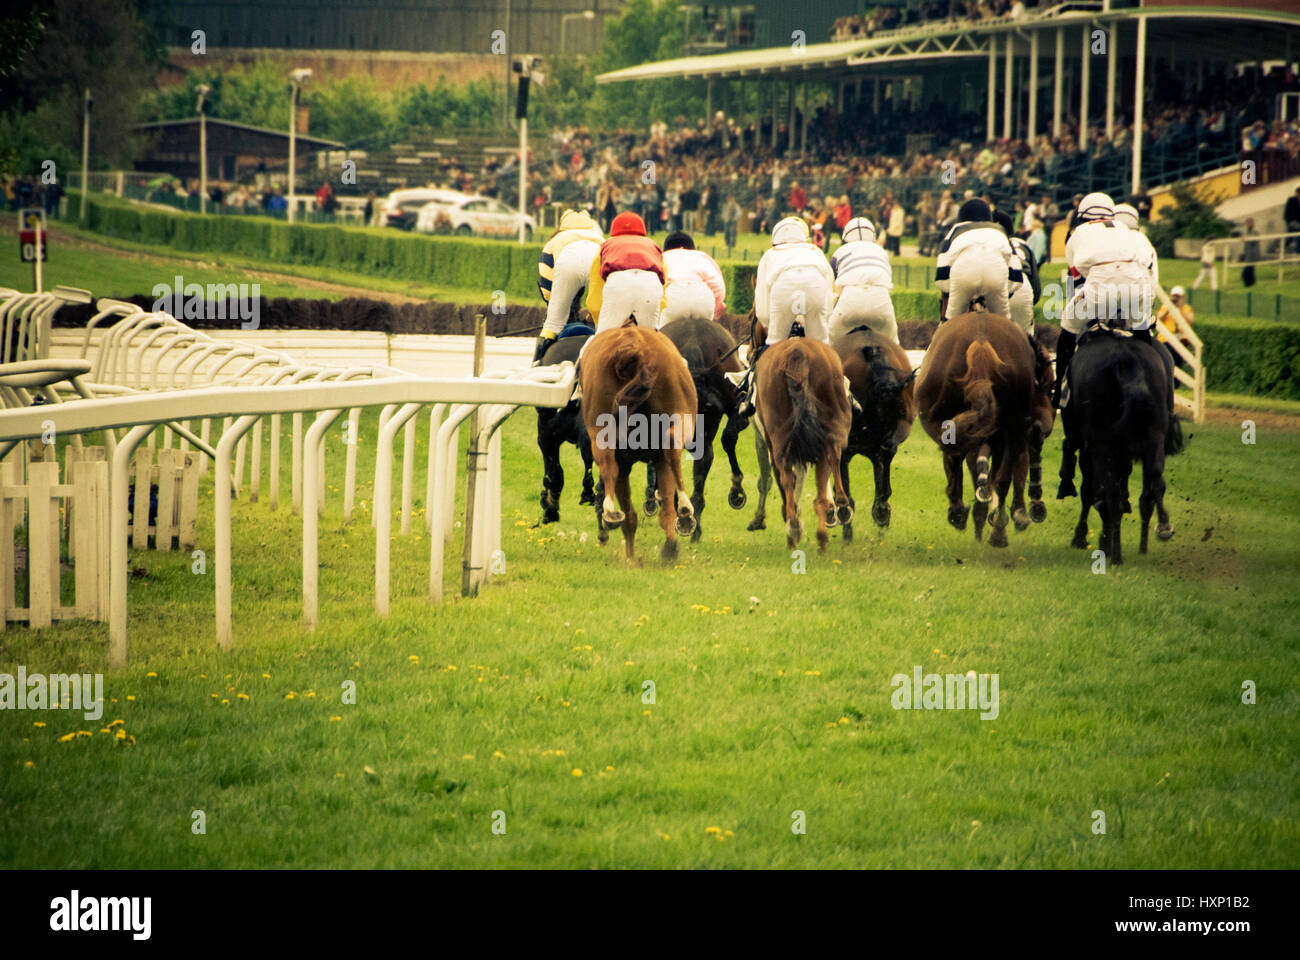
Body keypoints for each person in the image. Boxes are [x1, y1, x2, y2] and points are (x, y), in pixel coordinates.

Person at [1057, 192, 1170, 411]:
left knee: (1067, 326)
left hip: (1101, 286)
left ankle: (1060, 393)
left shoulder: (1078, 233)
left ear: (1082, 217)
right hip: (1137, 287)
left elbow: (1077, 282)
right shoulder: (1129, 233)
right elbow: (1148, 272)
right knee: (1142, 333)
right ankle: (1154, 387)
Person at [734, 217, 853, 419]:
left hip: (783, 293)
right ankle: (845, 393)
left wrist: (771, 325)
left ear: (776, 239)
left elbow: (762, 303)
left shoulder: (770, 255)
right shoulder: (815, 251)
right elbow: (829, 290)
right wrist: (818, 319)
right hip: (816, 291)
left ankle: (751, 398)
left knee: (772, 349)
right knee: (823, 349)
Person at [533, 208, 604, 363]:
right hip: (597, 264)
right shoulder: (600, 238)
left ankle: (537, 362)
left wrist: (553, 305)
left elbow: (546, 277)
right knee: (605, 324)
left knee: (552, 323)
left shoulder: (555, 240)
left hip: (567, 265)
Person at [934, 198, 1022, 322]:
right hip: (996, 274)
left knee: (948, 324)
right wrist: (1002, 292)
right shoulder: (1000, 230)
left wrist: (952, 291)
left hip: (963, 275)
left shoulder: (956, 229)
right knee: (1005, 324)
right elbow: (1016, 277)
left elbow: (941, 275)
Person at [585, 211, 665, 333]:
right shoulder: (653, 245)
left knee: (602, 339)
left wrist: (596, 316)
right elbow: (663, 282)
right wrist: (658, 310)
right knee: (653, 338)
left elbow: (596, 285)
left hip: (618, 284)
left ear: (613, 232)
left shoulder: (606, 245)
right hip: (650, 285)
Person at [827, 217, 898, 345]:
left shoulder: (839, 252)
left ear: (846, 237)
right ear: (872, 236)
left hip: (850, 301)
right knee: (894, 344)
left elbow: (834, 288)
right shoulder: (882, 252)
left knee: (829, 340)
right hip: (880, 301)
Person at [660, 231, 726, 326]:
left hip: (673, 298)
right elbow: (717, 285)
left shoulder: (662, 257)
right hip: (703, 298)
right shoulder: (702, 257)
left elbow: (654, 288)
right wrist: (716, 311)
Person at [992, 210, 1039, 336]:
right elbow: (1036, 287)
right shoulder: (1022, 243)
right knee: (1026, 341)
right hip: (1023, 288)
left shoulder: (987, 242)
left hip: (997, 288)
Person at [1285, 187, 1300, 255]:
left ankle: (1298, 251)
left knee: (1298, 235)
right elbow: (1287, 213)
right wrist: (1290, 222)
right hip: (1292, 222)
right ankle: (1284, 247)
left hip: (1298, 223)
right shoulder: (1291, 200)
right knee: (1291, 236)